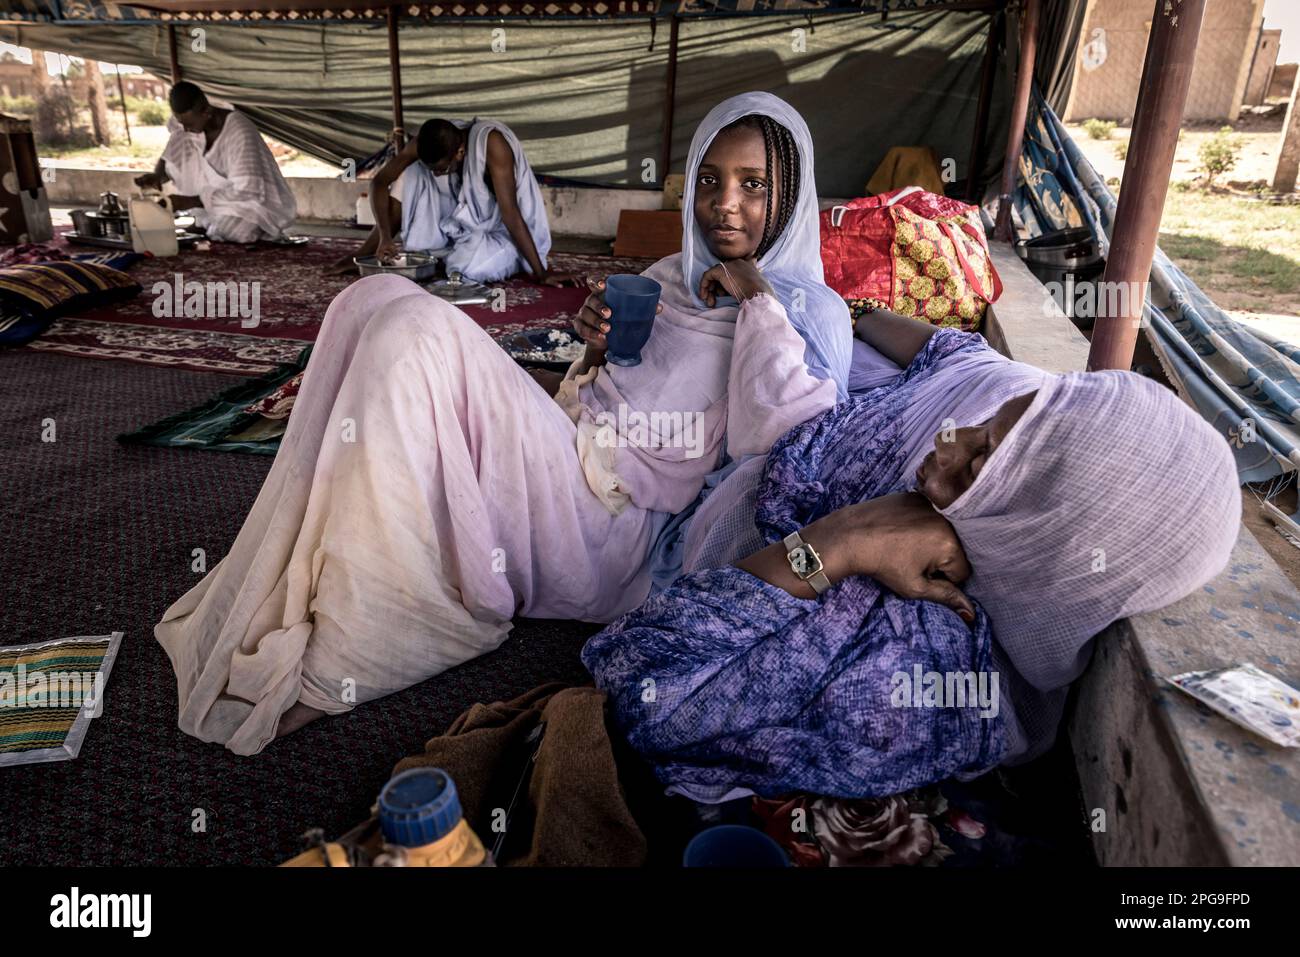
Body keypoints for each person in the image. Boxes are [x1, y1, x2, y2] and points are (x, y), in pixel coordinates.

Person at [154, 92, 853, 755]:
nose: (725, 206)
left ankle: (363, 641)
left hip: (615, 528)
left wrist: (757, 296)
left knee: (415, 329)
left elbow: (789, 451)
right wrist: (596, 346)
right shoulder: (673, 272)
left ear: (791, 195)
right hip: (571, 443)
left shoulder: (810, 311)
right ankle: (336, 562)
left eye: (754, 186)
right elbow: (607, 384)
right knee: (373, 298)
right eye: (709, 180)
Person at [582, 308, 1241, 802]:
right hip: (711, 474)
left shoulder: (912, 664)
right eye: (993, 420)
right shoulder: (1002, 394)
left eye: (979, 463)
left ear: (1041, 548)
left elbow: (640, 682)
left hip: (666, 546)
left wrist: (840, 540)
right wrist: (858, 314)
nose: (950, 443)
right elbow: (952, 349)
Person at [324, 118, 563, 285]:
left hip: (500, 231)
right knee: (413, 173)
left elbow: (510, 213)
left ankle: (504, 258)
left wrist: (541, 273)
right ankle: (429, 256)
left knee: (464, 270)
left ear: (459, 152)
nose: (436, 175)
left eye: (441, 169)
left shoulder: (492, 144)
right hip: (460, 226)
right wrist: (383, 239)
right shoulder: (424, 142)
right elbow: (379, 182)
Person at [133, 81, 297, 244]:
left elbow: (248, 192)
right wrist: (157, 176)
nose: (186, 129)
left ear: (206, 111)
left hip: (249, 205)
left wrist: (192, 201)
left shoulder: (239, 131)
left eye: (189, 124)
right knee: (216, 226)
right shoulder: (186, 125)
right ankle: (206, 224)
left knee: (235, 230)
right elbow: (172, 153)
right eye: (182, 123)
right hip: (212, 204)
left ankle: (209, 226)